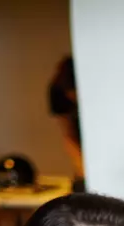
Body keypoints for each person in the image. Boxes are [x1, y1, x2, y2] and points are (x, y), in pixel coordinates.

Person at [48, 56, 85, 191]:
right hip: (82, 148)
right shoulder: (57, 91)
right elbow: (68, 135)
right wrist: (82, 168)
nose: (74, 98)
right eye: (71, 95)